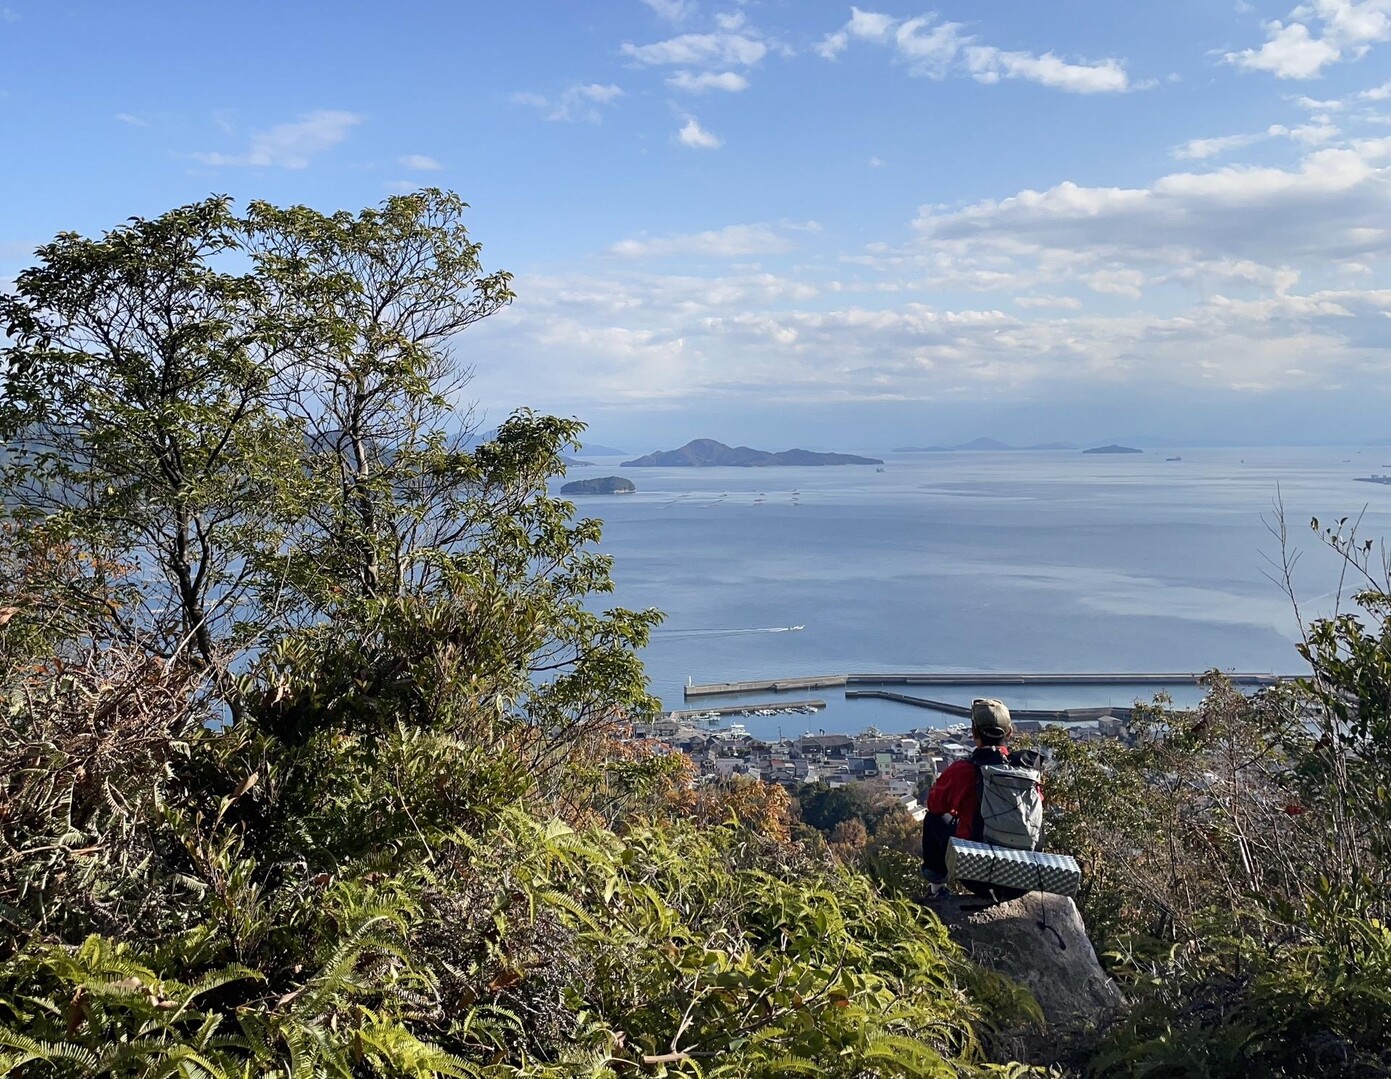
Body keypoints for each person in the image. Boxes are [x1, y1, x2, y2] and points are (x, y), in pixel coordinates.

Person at [921, 698, 1019, 897]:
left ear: (974, 733)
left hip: (977, 875)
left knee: (933, 819)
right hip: (1019, 881)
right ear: (1009, 733)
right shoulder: (1025, 771)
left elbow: (934, 804)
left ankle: (937, 889)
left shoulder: (964, 770)